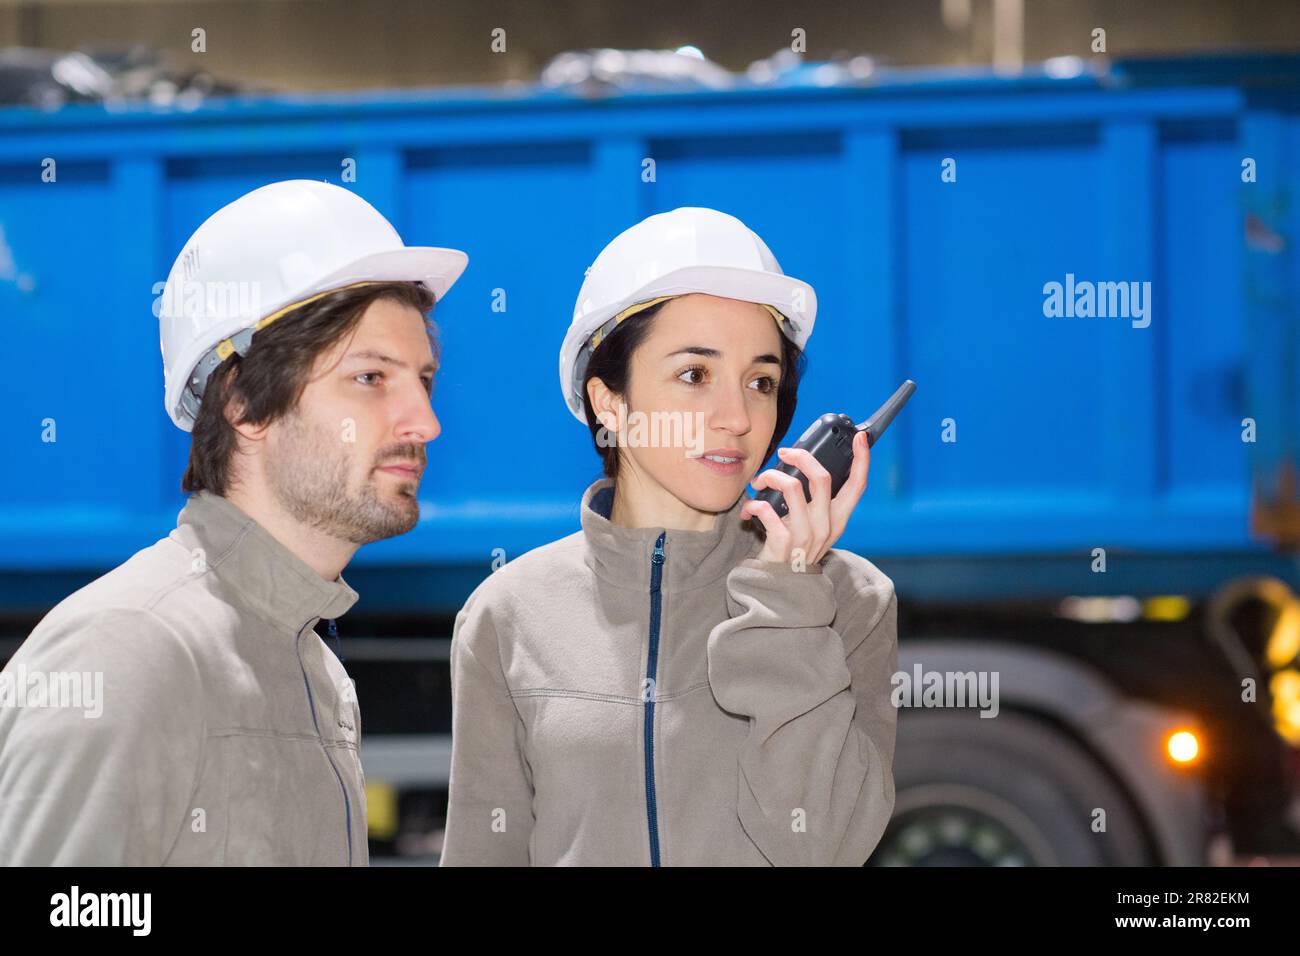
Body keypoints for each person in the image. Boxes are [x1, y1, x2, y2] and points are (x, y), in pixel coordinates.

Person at [0, 179, 467, 865]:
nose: (425, 422)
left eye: (422, 380)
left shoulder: (313, 668)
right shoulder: (132, 650)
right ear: (244, 403)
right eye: (371, 378)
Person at [440, 206, 897, 866]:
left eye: (760, 382)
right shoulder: (506, 615)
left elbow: (826, 844)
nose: (737, 417)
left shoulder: (848, 600)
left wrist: (787, 595)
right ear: (609, 401)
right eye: (694, 375)